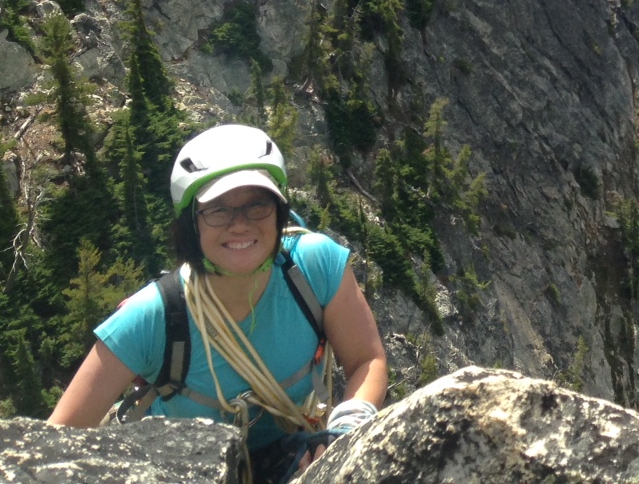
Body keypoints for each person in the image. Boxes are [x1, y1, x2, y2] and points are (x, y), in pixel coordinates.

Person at [49, 124, 389, 484]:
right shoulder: (151, 316)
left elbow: (367, 360)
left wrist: (347, 430)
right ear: (190, 225)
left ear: (278, 211)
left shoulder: (314, 267)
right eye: (218, 210)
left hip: (292, 454)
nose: (240, 225)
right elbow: (56, 442)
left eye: (257, 205)